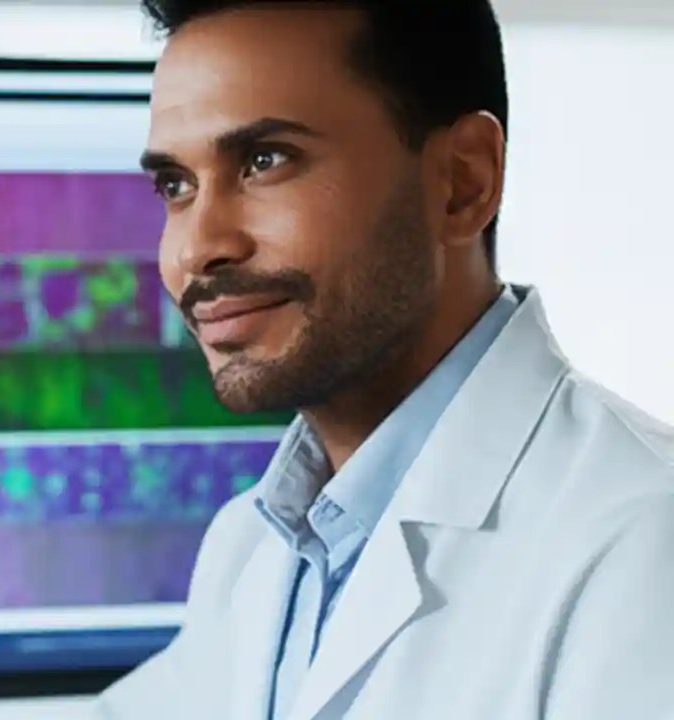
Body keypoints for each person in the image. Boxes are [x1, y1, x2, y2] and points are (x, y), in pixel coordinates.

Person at [94, 1, 674, 719]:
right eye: (176, 186)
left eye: (265, 161)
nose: (196, 248)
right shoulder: (254, 547)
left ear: (462, 181)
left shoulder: (645, 543)